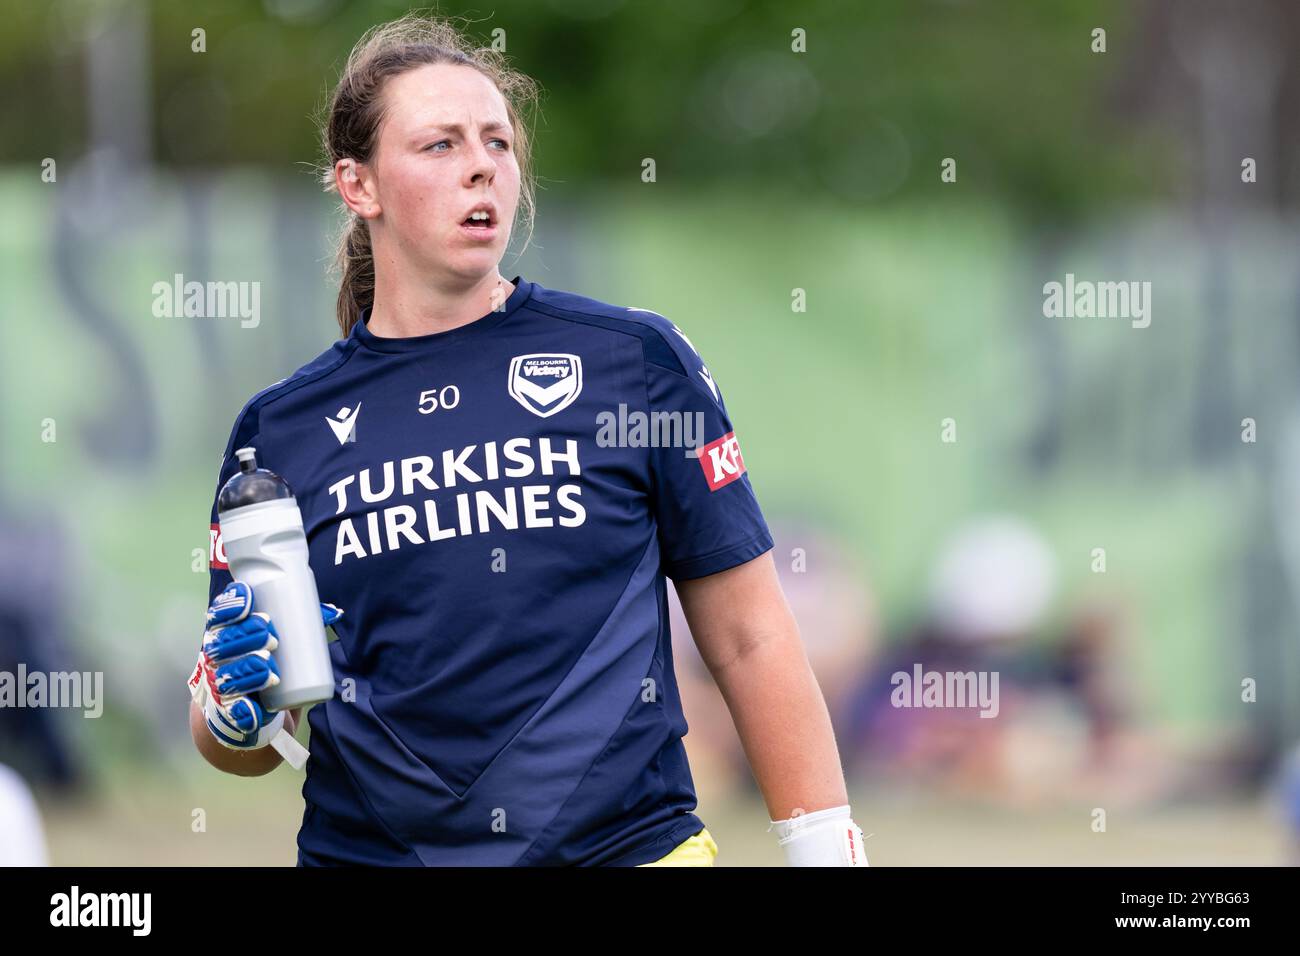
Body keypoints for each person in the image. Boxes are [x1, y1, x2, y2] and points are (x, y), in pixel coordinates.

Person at [187, 13, 865, 867]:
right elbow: (250, 726)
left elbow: (749, 635)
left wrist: (825, 849)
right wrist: (227, 711)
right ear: (358, 187)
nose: (483, 165)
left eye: (498, 142)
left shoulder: (635, 362)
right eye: (440, 145)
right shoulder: (278, 431)